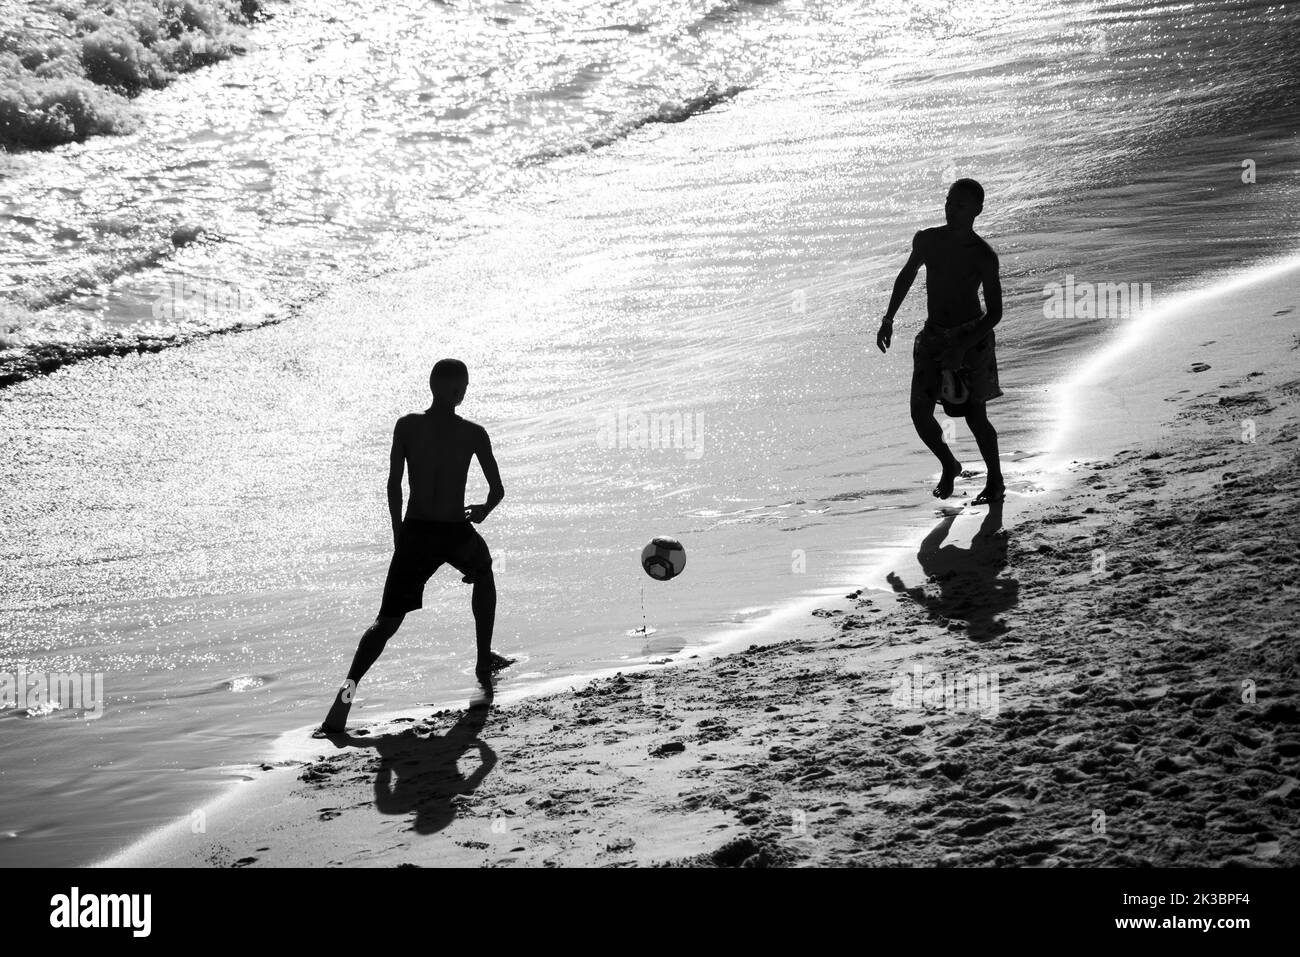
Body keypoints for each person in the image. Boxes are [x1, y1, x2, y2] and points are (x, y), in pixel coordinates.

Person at [318, 359, 508, 735]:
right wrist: (482, 511)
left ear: (432, 386)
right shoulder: (474, 433)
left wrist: (397, 536)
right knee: (485, 570)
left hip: (416, 533)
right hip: (455, 532)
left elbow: (394, 485)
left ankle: (341, 706)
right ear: (459, 391)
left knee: (385, 623)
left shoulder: (407, 426)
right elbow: (497, 491)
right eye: (464, 386)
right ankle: (483, 662)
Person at [876, 178, 1005, 504]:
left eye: (960, 204)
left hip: (970, 338)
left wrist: (962, 347)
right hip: (933, 334)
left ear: (977, 209)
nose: (951, 209)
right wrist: (888, 318)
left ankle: (995, 481)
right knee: (920, 412)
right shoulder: (928, 240)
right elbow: (907, 274)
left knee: (975, 416)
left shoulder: (983, 255)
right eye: (949, 202)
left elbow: (995, 313)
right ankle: (949, 463)